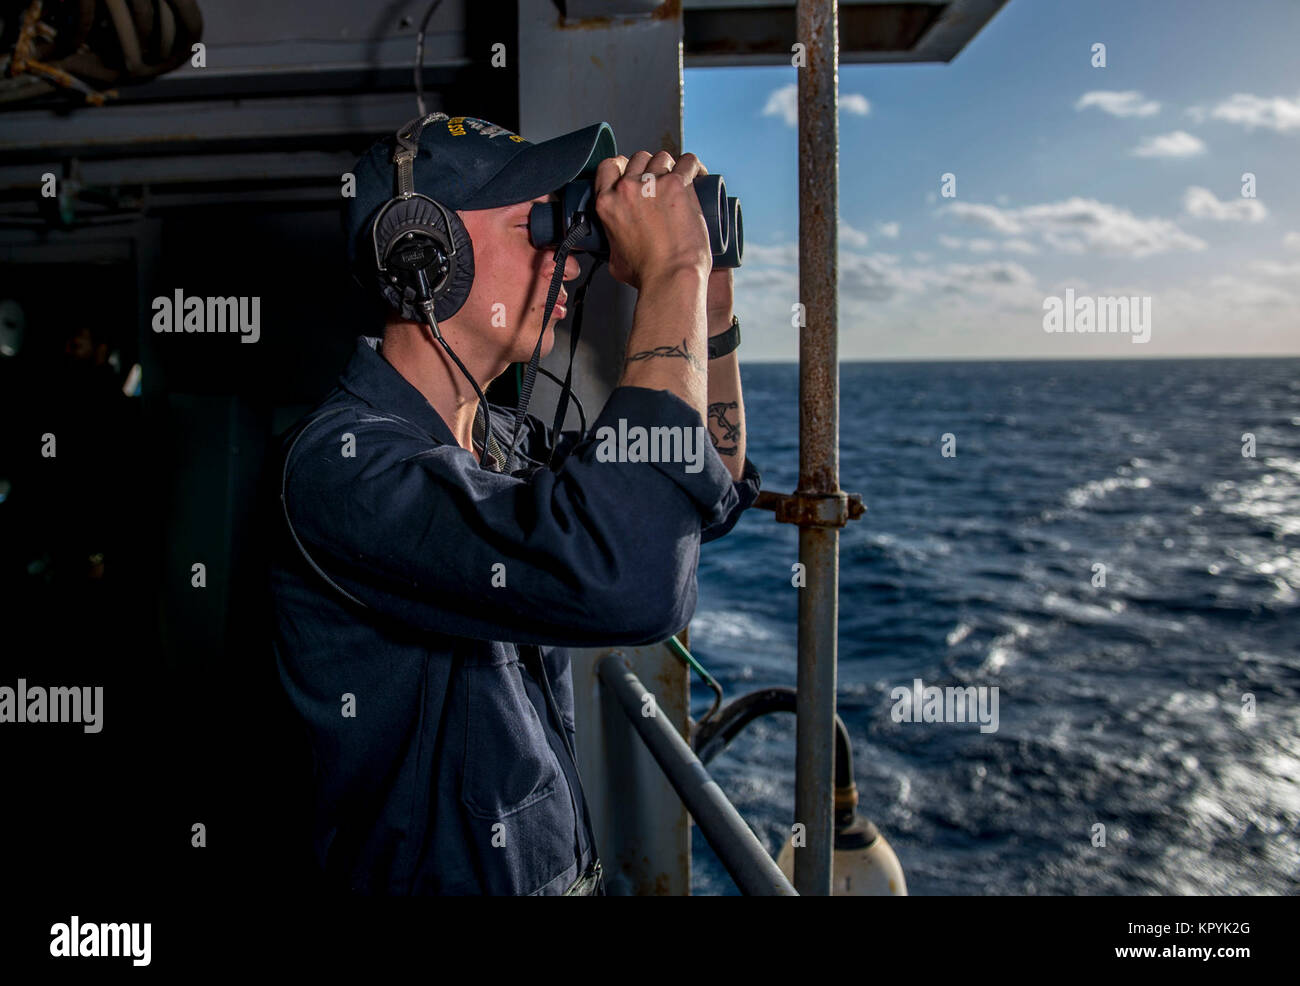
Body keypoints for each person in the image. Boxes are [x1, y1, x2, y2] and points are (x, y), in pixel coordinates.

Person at [268, 113, 760, 895]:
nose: (567, 257)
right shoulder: (340, 470)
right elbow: (629, 578)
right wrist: (669, 273)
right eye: (538, 223)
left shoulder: (502, 439)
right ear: (422, 253)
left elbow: (706, 491)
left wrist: (710, 308)